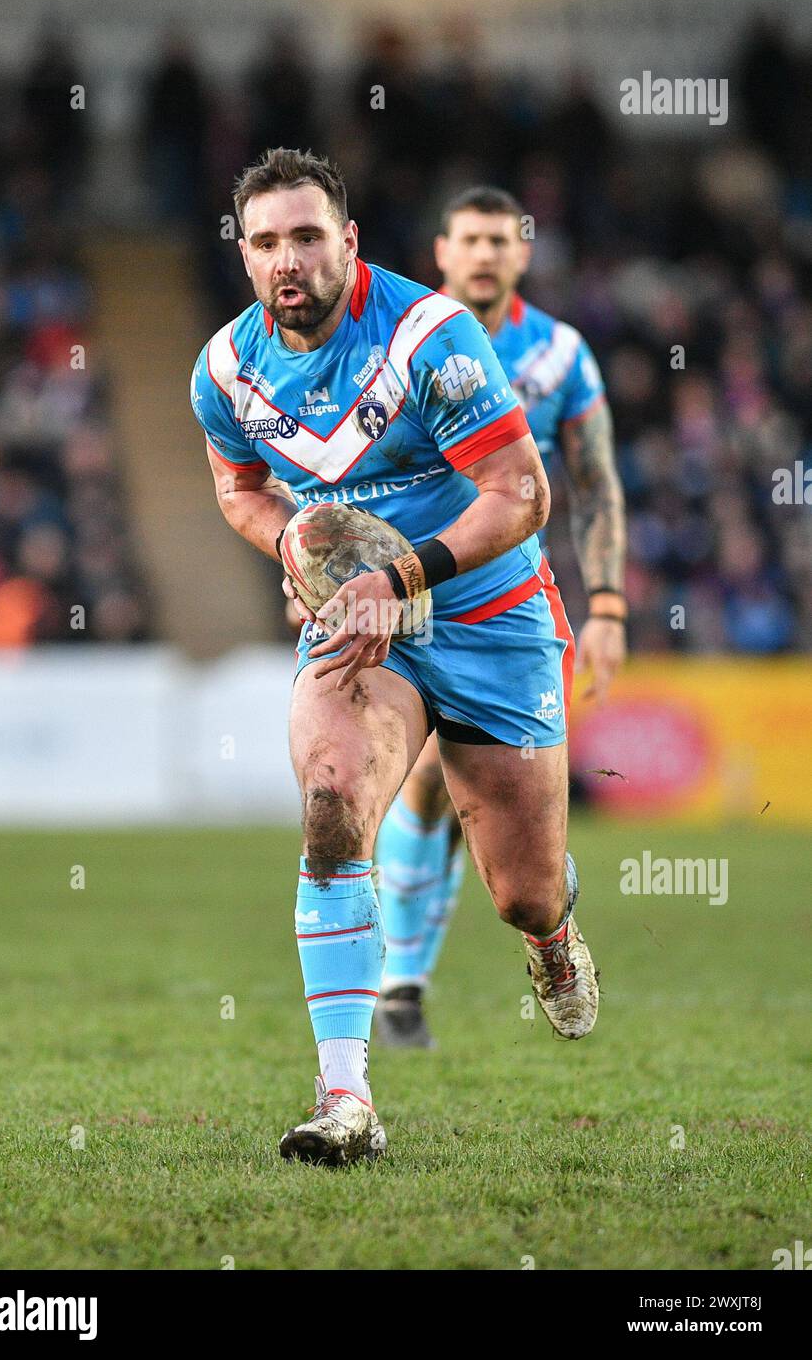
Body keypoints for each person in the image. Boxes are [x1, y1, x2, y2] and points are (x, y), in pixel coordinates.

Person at [190, 148, 599, 1166]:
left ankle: (549, 938)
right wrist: (297, 547)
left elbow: (521, 495)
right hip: (366, 632)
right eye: (266, 242)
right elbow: (240, 491)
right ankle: (345, 1099)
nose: (288, 260)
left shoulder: (431, 339)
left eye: (307, 237)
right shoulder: (225, 371)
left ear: (349, 243)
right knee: (332, 802)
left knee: (523, 889)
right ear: (242, 256)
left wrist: (397, 574)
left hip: (491, 615)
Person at [374, 187, 627, 1048]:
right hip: (409, 594)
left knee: (502, 844)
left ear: (522, 256)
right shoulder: (398, 343)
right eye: (469, 240)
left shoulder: (558, 355)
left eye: (501, 242)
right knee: (424, 781)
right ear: (440, 251)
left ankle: (542, 910)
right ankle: (401, 988)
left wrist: (609, 603)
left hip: (509, 604)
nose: (484, 255)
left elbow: (591, 484)